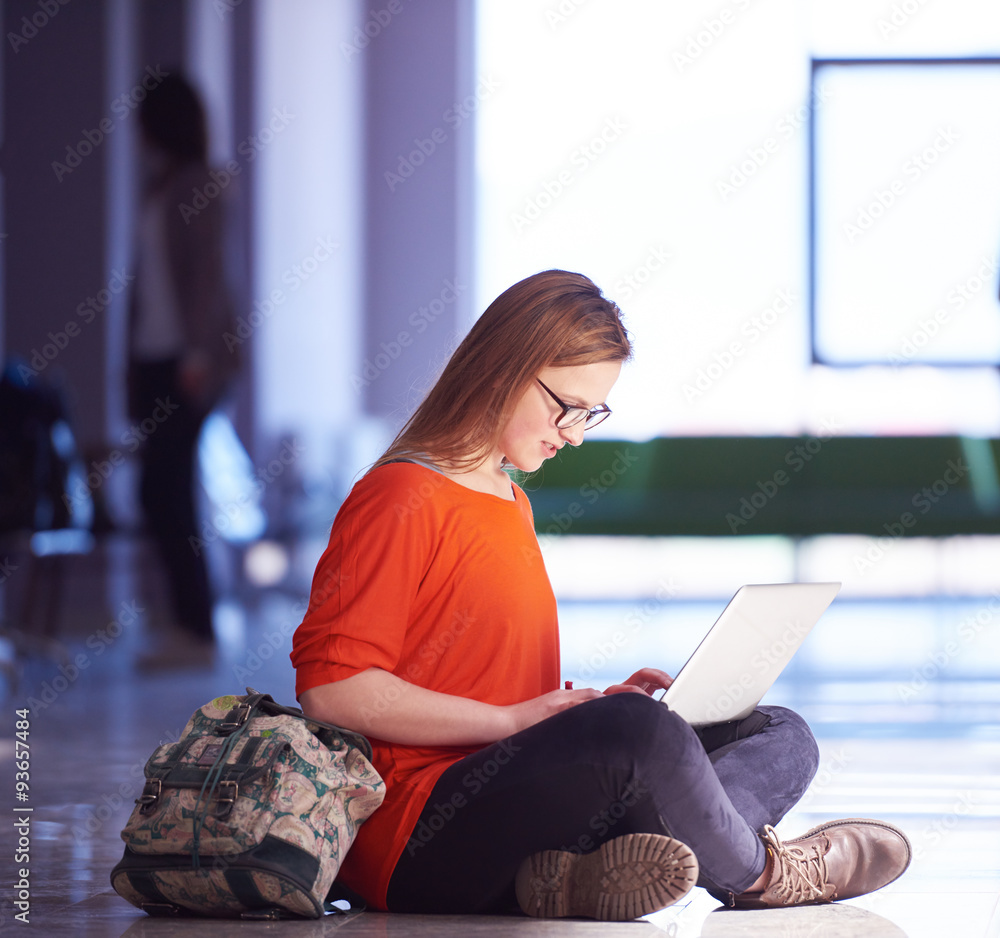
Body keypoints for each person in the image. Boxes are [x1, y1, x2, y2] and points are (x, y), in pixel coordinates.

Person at [291, 270, 911, 920]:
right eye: (567, 406)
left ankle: (572, 879)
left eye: (592, 412)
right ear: (505, 368)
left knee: (779, 733)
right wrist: (515, 723)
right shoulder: (401, 497)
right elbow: (335, 692)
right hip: (420, 831)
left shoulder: (509, 501)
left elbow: (490, 682)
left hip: (509, 799)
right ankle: (763, 874)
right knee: (642, 735)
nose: (576, 433)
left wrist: (586, 708)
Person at [128, 73, 239, 668]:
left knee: (168, 492)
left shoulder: (203, 185)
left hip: (187, 362)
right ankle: (186, 623)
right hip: (152, 358)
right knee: (158, 491)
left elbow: (206, 277)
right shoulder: (159, 184)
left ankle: (196, 627)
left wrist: (197, 355)